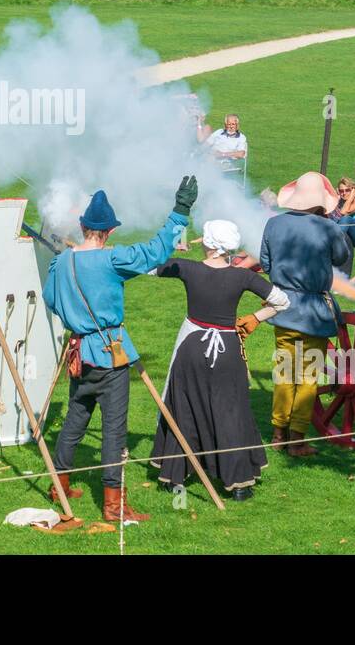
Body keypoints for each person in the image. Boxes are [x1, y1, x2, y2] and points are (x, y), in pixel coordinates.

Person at [42, 178, 197, 522]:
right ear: (109, 230)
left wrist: (77, 322)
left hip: (79, 353)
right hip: (110, 357)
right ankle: (113, 506)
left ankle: (59, 485)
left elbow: (51, 301)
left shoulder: (61, 262)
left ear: (83, 226)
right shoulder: (114, 259)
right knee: (114, 430)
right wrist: (180, 212)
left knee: (73, 422)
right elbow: (157, 251)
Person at [150, 219, 290, 501]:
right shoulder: (243, 276)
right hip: (227, 348)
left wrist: (172, 246)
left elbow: (149, 265)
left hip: (191, 348)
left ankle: (174, 475)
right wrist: (255, 318)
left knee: (184, 408)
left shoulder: (188, 268)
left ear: (211, 244)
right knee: (231, 411)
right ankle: (239, 484)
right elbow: (282, 301)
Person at [257, 172, 349, 457]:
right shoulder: (328, 228)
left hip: (283, 306)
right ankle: (297, 440)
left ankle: (277, 434)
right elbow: (342, 258)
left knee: (285, 373)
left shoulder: (274, 223)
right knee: (307, 376)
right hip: (314, 311)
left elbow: (265, 262)